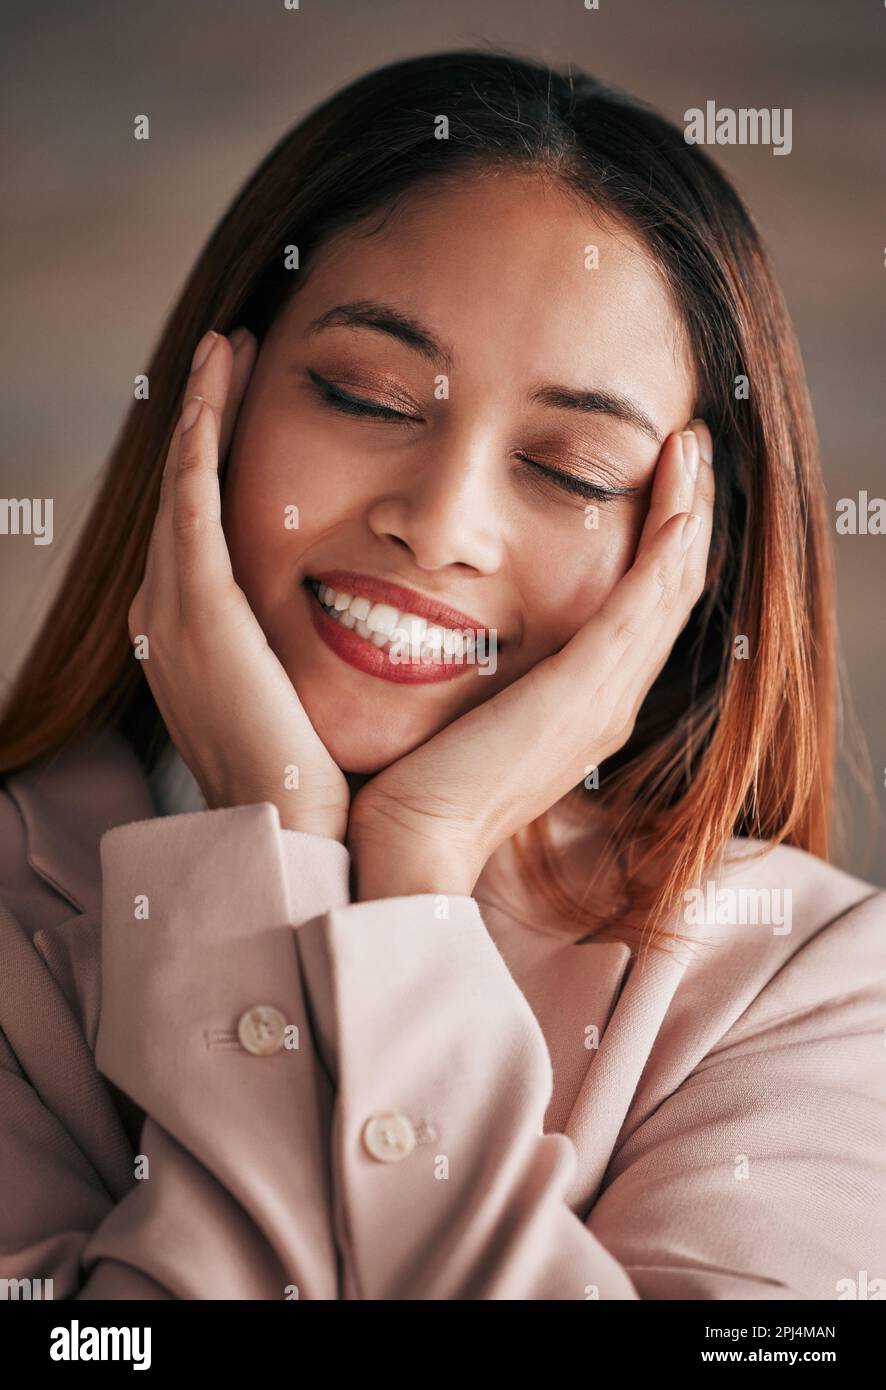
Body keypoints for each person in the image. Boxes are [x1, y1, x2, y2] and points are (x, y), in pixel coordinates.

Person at [1, 50, 883, 1301]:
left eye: (573, 470)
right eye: (366, 395)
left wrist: (415, 868)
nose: (442, 523)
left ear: (680, 558)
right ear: (221, 394)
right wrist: (271, 843)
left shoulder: (817, 983)